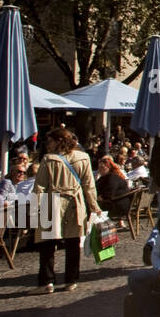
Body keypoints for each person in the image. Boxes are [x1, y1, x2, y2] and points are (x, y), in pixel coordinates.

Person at [32, 126, 102, 294]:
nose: (48, 144)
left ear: (59, 142)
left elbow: (40, 186)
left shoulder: (48, 160)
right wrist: (94, 206)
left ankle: (47, 282)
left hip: (52, 203)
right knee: (72, 242)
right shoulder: (83, 157)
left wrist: (35, 210)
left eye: (50, 141)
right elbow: (89, 185)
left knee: (48, 244)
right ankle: (71, 280)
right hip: (75, 203)